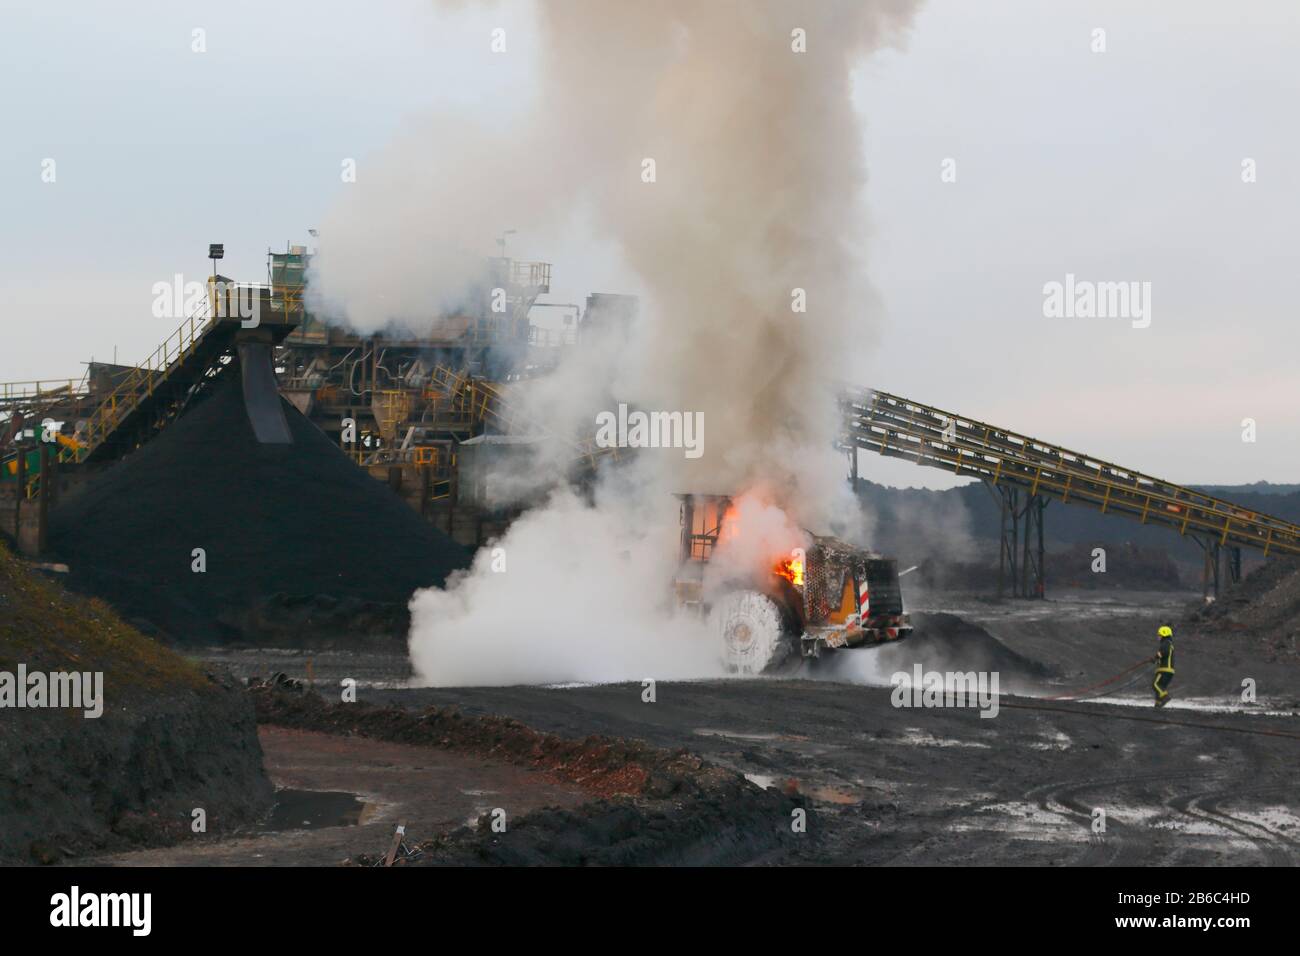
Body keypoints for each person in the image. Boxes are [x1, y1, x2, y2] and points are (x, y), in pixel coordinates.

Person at [1152, 625, 1175, 708]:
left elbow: (1164, 652)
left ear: (1164, 635)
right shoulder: (1168, 643)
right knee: (1161, 687)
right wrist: (1156, 660)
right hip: (1168, 671)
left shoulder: (1166, 643)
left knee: (1155, 684)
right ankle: (1158, 704)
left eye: (1159, 635)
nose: (1158, 636)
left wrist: (1156, 657)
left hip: (1164, 670)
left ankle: (1165, 697)